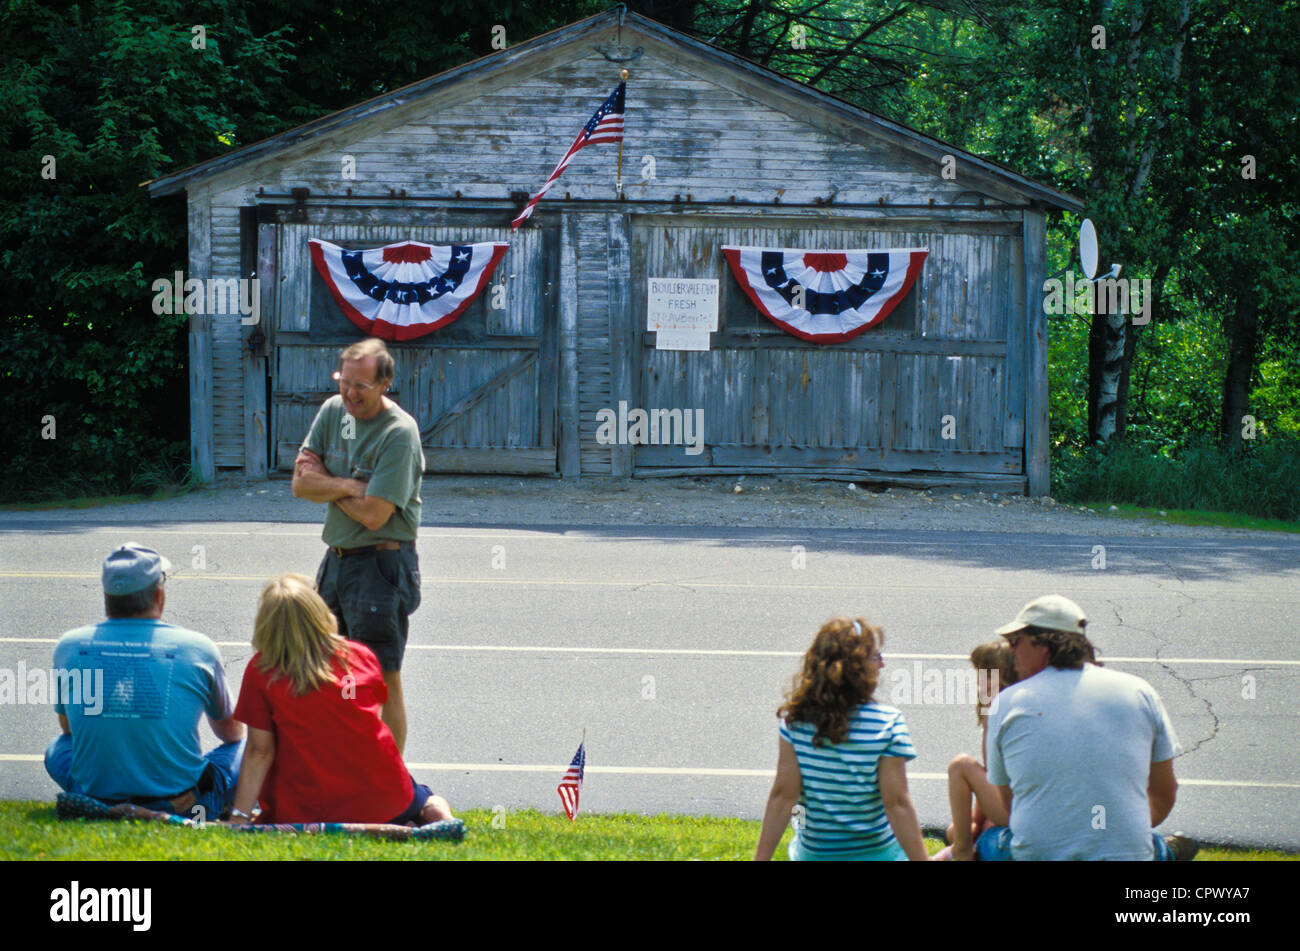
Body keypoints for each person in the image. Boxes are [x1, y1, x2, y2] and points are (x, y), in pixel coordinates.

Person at [977, 594, 1197, 861]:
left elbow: (1011, 803)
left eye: (1016, 641)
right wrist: (1110, 836)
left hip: (1038, 855)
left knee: (987, 838)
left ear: (1044, 643)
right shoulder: (1141, 691)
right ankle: (1162, 850)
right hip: (1129, 855)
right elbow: (1165, 793)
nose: (1011, 650)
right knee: (1143, 843)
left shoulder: (1007, 702)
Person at [226, 574, 452, 826]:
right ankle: (432, 812)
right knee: (425, 798)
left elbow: (260, 751)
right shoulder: (362, 655)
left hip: (308, 809)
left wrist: (240, 816)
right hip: (385, 797)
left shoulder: (262, 671)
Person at [45, 543, 245, 819]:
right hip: (178, 801)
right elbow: (231, 732)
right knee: (245, 748)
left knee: (57, 749)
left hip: (95, 793)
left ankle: (100, 805)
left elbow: (68, 729)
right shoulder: (198, 647)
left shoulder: (69, 646)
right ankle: (203, 808)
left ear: (107, 596)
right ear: (159, 595)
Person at [292, 337, 424, 754]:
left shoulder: (398, 433)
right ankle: (340, 763)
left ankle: (390, 780)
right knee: (326, 666)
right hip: (337, 560)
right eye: (343, 381)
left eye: (360, 386)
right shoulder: (334, 411)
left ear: (385, 384)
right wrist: (350, 485)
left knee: (383, 675)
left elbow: (375, 516)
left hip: (380, 567)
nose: (349, 393)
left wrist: (326, 486)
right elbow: (300, 483)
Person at [755, 616, 929, 861]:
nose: (882, 664)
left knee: (800, 829)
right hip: (878, 854)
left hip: (815, 855)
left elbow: (784, 797)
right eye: (875, 657)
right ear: (856, 669)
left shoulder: (794, 724)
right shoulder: (888, 723)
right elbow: (897, 804)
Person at [934, 640, 1019, 860]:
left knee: (961, 765)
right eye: (979, 673)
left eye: (988, 675)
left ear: (1007, 677)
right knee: (956, 829)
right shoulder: (996, 711)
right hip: (1012, 804)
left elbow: (997, 780)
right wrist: (975, 822)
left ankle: (961, 851)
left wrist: (976, 824)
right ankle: (963, 844)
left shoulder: (1002, 714)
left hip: (1019, 809)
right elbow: (994, 777)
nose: (980, 681)